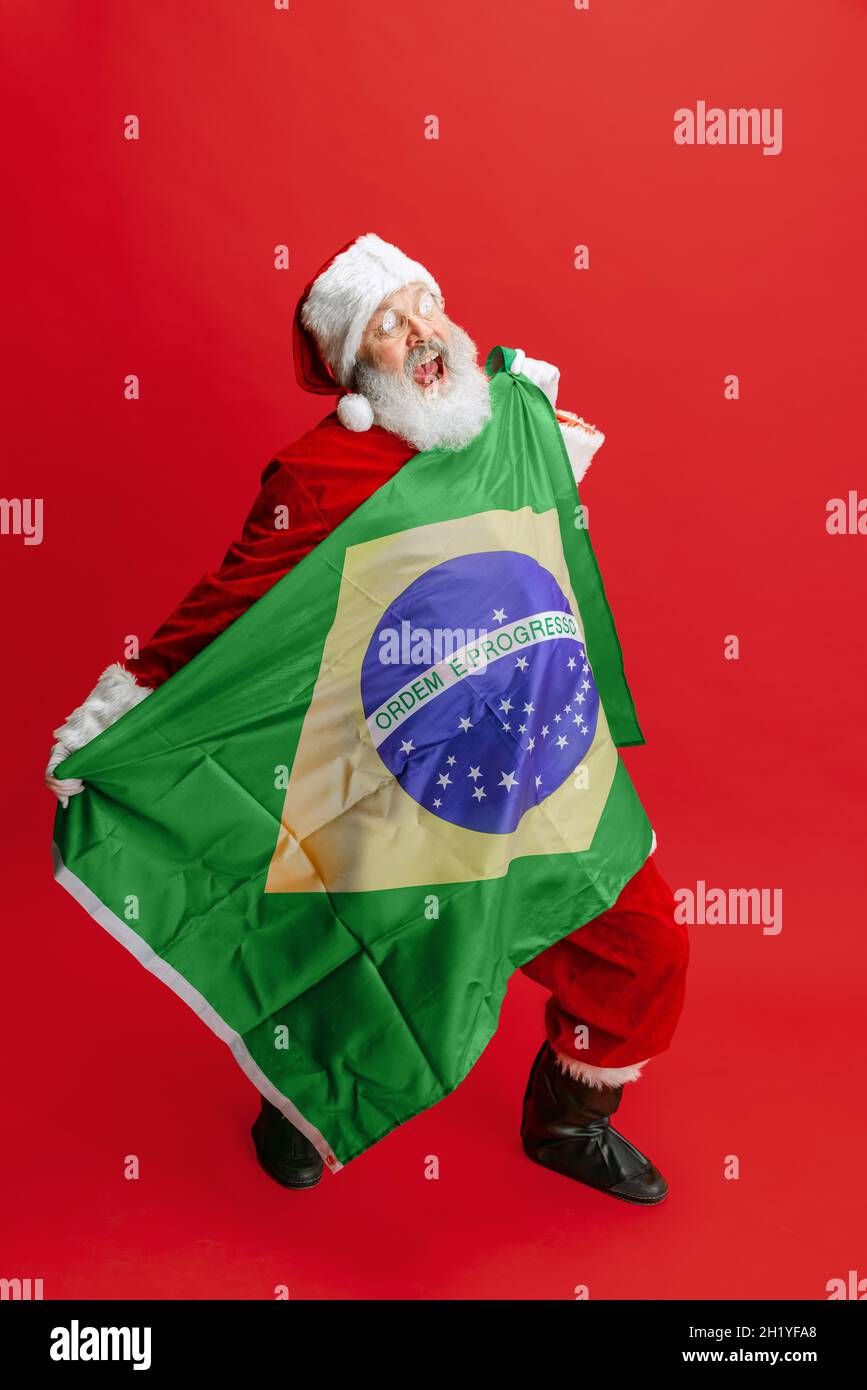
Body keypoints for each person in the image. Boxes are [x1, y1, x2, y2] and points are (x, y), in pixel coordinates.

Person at [45, 232, 689, 1204]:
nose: (422, 333)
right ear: (355, 368)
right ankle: (293, 1095)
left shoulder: (509, 417)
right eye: (388, 327)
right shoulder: (320, 476)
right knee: (347, 955)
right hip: (394, 772)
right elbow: (229, 606)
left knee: (644, 946)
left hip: (542, 757)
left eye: (426, 304)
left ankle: (568, 1115)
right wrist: (122, 710)